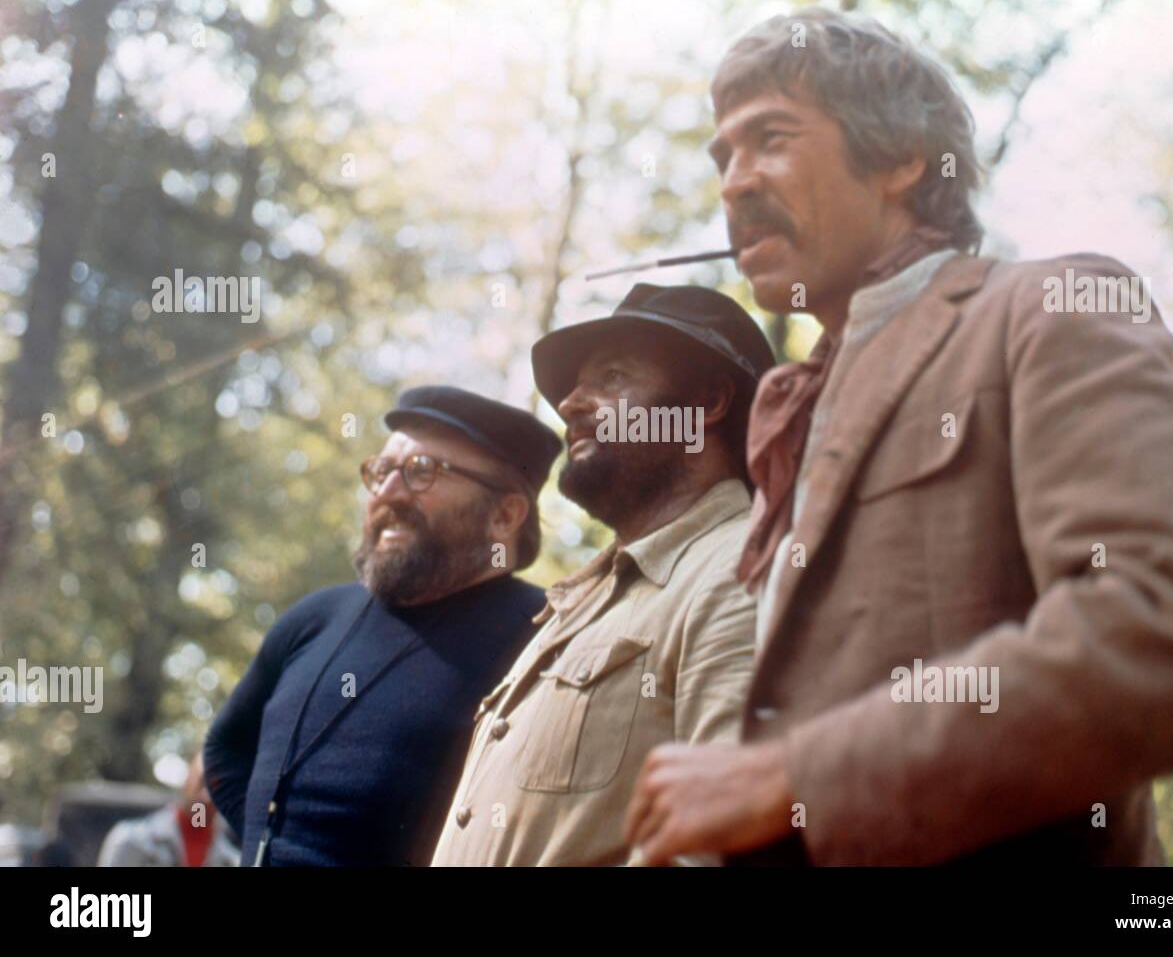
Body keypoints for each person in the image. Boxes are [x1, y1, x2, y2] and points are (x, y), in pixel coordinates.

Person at [624, 8, 1173, 866]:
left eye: (771, 138)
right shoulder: (791, 419)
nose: (733, 183)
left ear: (901, 159)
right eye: (723, 157)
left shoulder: (1051, 307)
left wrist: (801, 775)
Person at [432, 283, 774, 865]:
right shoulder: (578, 602)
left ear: (709, 403)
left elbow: (721, 845)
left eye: (613, 378)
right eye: (575, 386)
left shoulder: (738, 571)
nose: (570, 403)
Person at [205, 387, 560, 865]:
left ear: (504, 515)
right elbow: (226, 750)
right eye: (380, 471)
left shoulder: (547, 635)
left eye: (421, 472)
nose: (388, 494)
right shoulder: (315, 617)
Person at [97, 755, 239, 867]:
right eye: (203, 781)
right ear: (188, 776)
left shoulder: (231, 861)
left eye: (218, 788)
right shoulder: (129, 842)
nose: (207, 797)